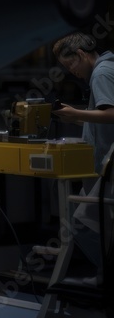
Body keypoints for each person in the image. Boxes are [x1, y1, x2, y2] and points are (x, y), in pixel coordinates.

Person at [53, 32, 114, 278]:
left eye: (71, 65)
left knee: (81, 225)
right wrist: (77, 117)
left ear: (80, 54)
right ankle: (104, 277)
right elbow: (102, 120)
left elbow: (111, 113)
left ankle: (107, 278)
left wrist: (76, 114)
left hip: (108, 169)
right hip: (104, 168)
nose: (72, 72)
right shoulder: (110, 67)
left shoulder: (100, 73)